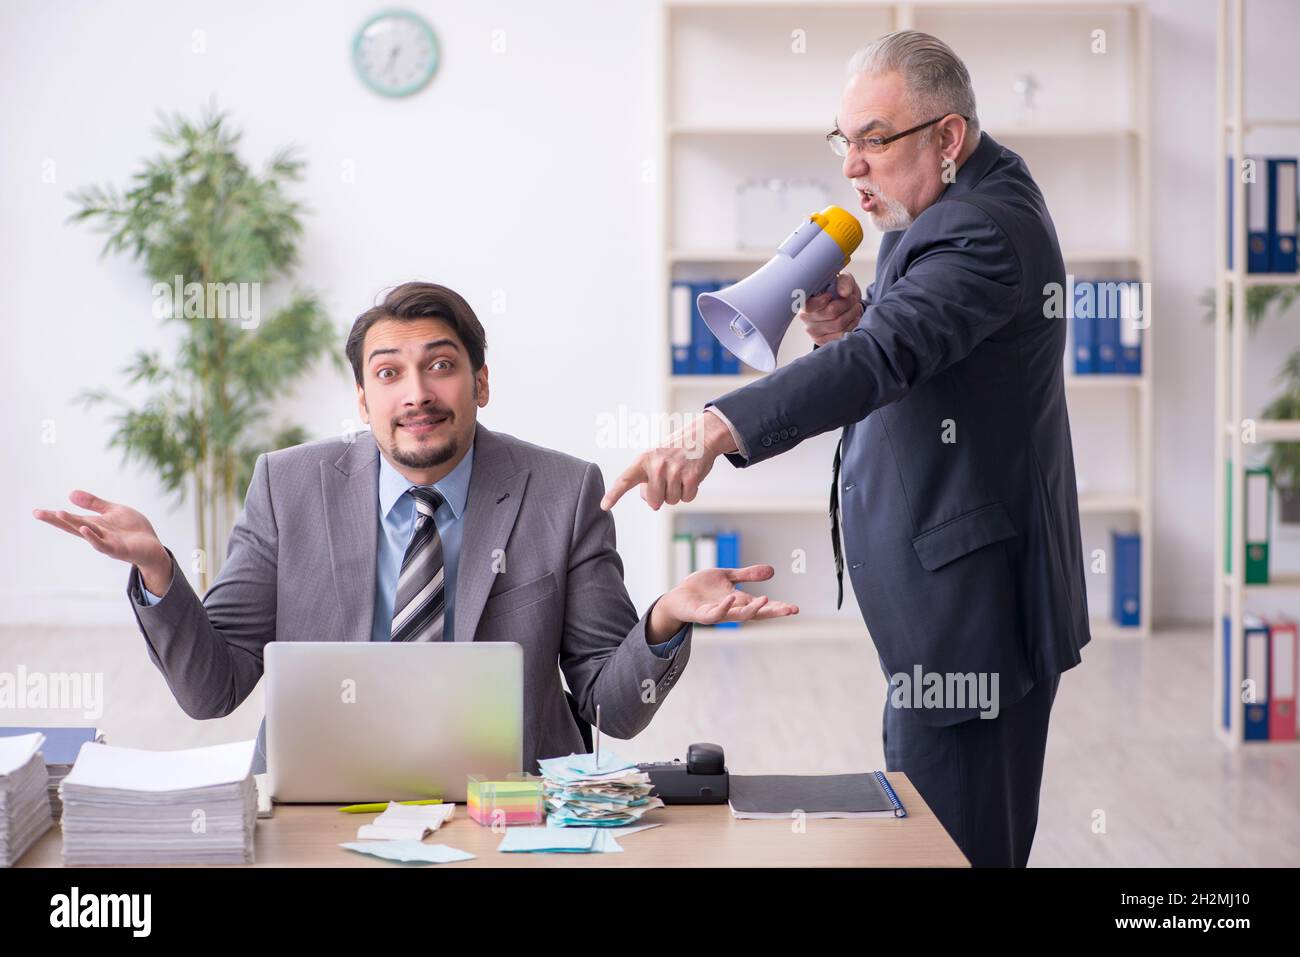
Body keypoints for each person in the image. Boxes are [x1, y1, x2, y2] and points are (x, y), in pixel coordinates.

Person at [600, 31, 1090, 867]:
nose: (852, 166)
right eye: (844, 141)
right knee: (933, 829)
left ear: (947, 137)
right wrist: (853, 316)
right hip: (945, 604)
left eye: (874, 139)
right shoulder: (937, 200)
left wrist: (718, 426)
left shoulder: (981, 227)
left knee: (956, 846)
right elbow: (908, 346)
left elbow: (882, 360)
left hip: (973, 617)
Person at [35, 281, 797, 774]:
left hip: (511, 806)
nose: (416, 393)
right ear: (363, 400)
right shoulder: (287, 486)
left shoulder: (564, 491)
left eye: (440, 365)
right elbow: (213, 688)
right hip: (321, 797)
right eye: (389, 372)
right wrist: (161, 573)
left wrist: (663, 619)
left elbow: (608, 707)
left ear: (481, 382)